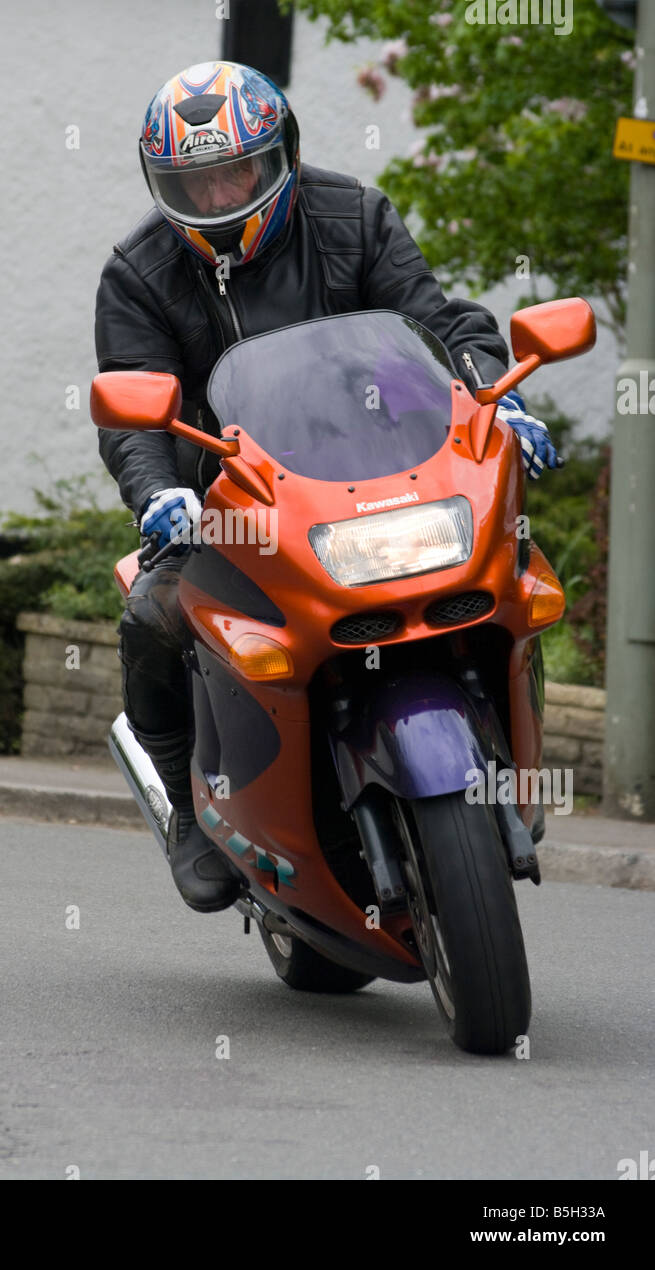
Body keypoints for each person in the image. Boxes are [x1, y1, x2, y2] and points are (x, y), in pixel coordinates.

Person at [94, 60, 559, 914]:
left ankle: (509, 747)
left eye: (235, 171)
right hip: (237, 504)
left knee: (516, 572)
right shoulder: (139, 272)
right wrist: (160, 493)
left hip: (392, 465)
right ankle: (189, 815)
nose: (217, 196)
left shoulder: (353, 214)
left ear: (280, 158)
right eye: (191, 183)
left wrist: (500, 396)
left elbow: (438, 320)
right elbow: (132, 410)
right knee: (151, 618)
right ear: (162, 183)